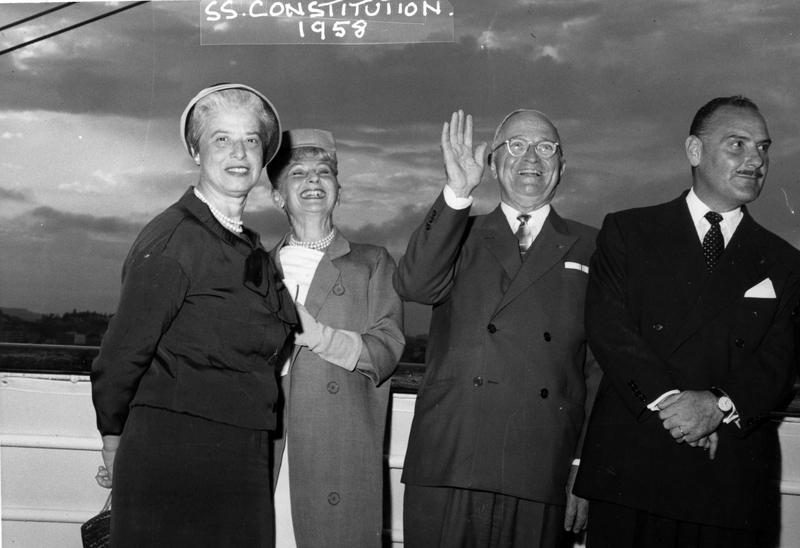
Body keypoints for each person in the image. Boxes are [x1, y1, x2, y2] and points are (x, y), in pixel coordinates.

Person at [574, 96, 800, 547]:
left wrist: (715, 407)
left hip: (728, 479)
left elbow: (781, 361)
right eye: (737, 144)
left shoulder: (786, 262)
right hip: (633, 468)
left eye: (763, 147)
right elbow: (609, 332)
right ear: (694, 151)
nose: (755, 159)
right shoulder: (627, 232)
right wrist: (676, 409)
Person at [91, 83, 297, 548]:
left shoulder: (242, 242)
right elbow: (119, 356)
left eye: (250, 139)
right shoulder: (174, 241)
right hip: (175, 453)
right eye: (221, 138)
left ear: (265, 153)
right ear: (195, 150)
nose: (239, 152)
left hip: (239, 449)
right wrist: (113, 440)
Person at [394, 110, 602, 548]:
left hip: (542, 465)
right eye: (516, 145)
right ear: (491, 162)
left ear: (562, 166)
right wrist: (456, 192)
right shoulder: (459, 232)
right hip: (451, 455)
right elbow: (413, 284)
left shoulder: (596, 245)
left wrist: (584, 464)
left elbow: (599, 369)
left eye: (546, 148)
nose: (532, 158)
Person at [267, 128, 405, 548]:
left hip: (338, 444)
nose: (312, 180)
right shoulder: (253, 266)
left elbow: (388, 349)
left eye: (323, 172)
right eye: (298, 173)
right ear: (277, 197)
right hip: (266, 443)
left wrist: (319, 336)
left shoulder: (371, 261)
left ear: (338, 192)